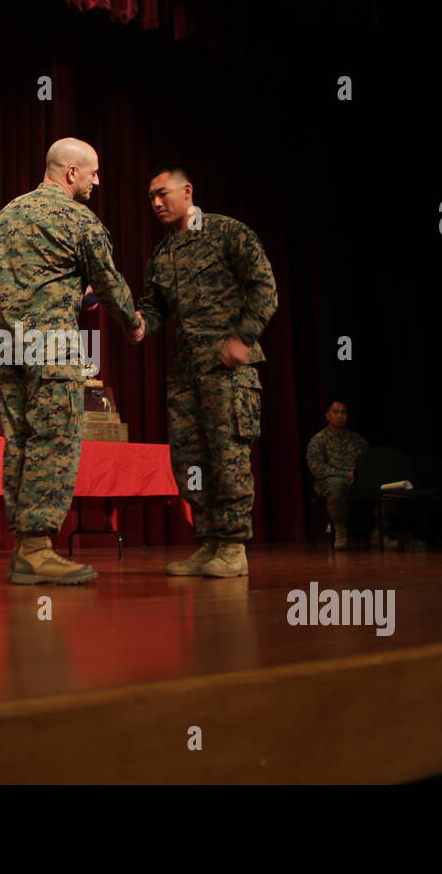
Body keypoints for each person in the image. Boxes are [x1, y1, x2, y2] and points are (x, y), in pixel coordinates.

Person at [0, 137, 143, 585]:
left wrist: (75, 293)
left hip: (9, 344)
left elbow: (34, 277)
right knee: (55, 440)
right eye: (92, 172)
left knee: (20, 440)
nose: (97, 181)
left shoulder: (5, 216)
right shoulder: (78, 218)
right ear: (71, 173)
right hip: (53, 345)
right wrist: (132, 322)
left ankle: (24, 545)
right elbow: (110, 284)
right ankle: (37, 549)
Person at [136, 165, 278, 577]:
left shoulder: (228, 232)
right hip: (184, 372)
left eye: (163, 194)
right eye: (151, 198)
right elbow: (156, 309)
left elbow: (265, 288)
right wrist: (139, 325)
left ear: (187, 190)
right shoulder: (162, 253)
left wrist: (244, 338)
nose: (157, 203)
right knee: (189, 461)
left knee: (227, 456)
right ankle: (209, 540)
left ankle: (233, 547)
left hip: (227, 369)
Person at [306, 401, 370, 550]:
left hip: (356, 480)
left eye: (343, 412)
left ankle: (380, 532)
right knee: (337, 484)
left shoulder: (357, 440)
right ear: (327, 416)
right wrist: (344, 474)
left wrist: (358, 474)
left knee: (387, 487)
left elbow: (368, 463)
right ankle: (340, 530)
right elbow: (316, 468)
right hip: (329, 481)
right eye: (336, 412)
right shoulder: (319, 440)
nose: (340, 416)